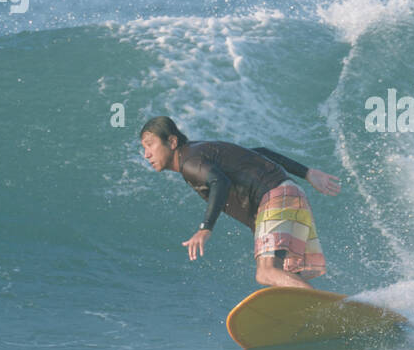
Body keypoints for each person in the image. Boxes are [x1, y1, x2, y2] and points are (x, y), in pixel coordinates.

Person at [139, 116, 339, 289]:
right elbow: (260, 152)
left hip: (275, 198)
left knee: (266, 272)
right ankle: (317, 313)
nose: (146, 154)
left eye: (150, 144)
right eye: (144, 148)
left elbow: (219, 182)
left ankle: (328, 310)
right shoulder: (201, 152)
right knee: (287, 275)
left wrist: (205, 228)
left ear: (172, 141)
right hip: (290, 194)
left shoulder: (190, 162)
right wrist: (306, 173)